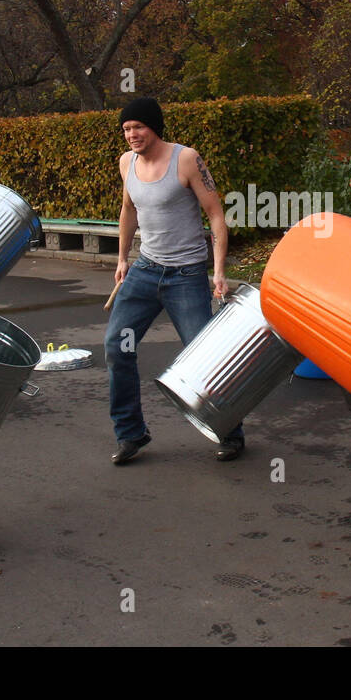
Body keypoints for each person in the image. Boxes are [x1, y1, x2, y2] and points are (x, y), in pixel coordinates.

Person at [105, 97, 233, 463]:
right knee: (117, 347)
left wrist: (218, 270)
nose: (132, 134)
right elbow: (129, 209)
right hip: (145, 271)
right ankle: (130, 434)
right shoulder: (126, 162)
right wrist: (122, 259)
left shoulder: (186, 159)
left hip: (186, 275)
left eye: (138, 127)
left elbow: (215, 214)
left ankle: (229, 431)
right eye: (127, 129)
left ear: (154, 127)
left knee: (203, 358)